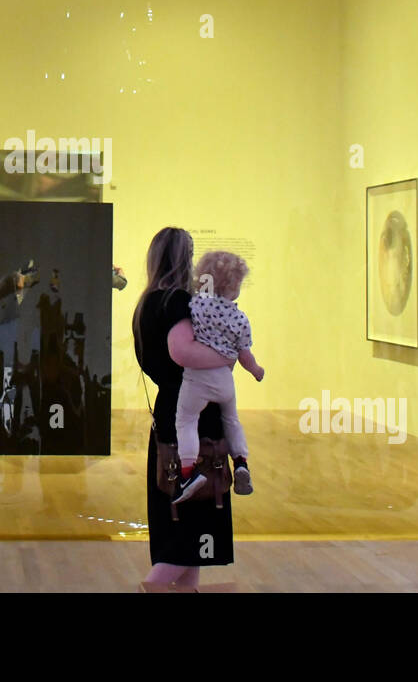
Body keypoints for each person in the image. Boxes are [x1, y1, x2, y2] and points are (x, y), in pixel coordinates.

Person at [132, 226, 237, 591]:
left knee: (182, 525)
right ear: (184, 257)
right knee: (186, 535)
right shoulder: (176, 302)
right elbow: (182, 352)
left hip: (169, 413)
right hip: (193, 416)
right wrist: (227, 357)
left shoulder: (147, 302)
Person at [175, 250, 263, 504]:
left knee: (187, 421)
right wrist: (257, 371)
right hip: (224, 380)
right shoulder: (240, 319)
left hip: (196, 380)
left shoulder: (196, 305)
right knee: (232, 420)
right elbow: (245, 357)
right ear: (234, 286)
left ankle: (188, 472)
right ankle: (241, 462)